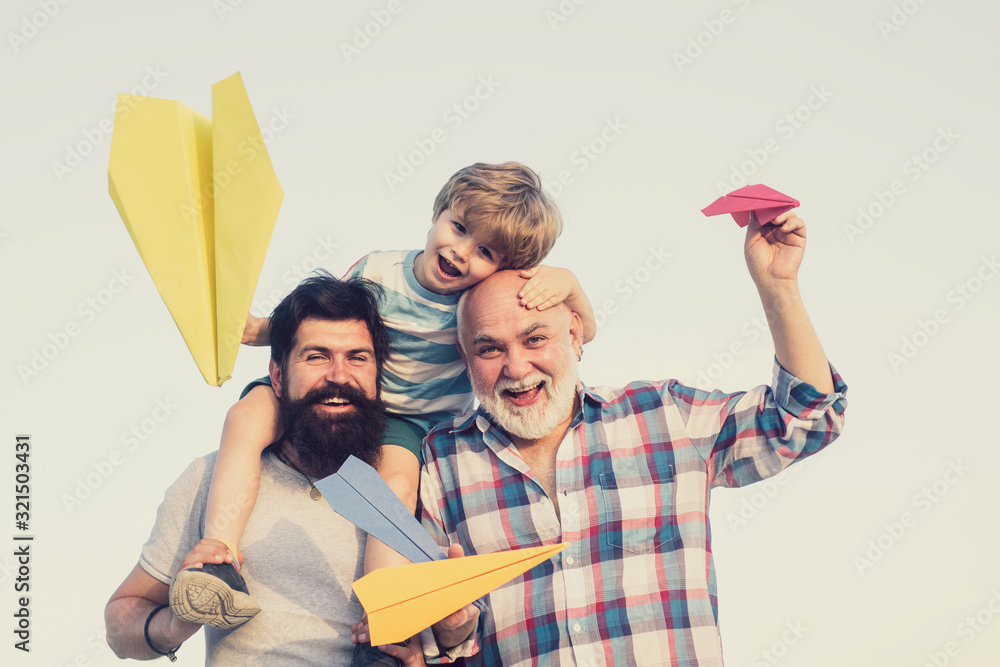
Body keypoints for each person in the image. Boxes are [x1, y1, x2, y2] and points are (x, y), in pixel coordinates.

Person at [169, 162, 597, 665]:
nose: (461, 253)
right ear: (438, 212)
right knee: (246, 416)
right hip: (334, 391)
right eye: (458, 228)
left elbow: (582, 330)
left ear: (502, 268)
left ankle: (383, 618)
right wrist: (263, 328)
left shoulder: (478, 304)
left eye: (485, 252)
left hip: (406, 422)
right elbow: (323, 317)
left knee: (394, 488)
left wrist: (567, 283)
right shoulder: (377, 270)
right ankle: (218, 556)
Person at [415, 212, 849, 665]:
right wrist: (451, 629)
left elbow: (807, 422)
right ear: (465, 355)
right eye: (490, 349)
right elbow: (433, 641)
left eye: (534, 339)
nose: (517, 368)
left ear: (574, 335)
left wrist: (779, 287)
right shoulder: (438, 462)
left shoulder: (664, 414)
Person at [105, 274, 438, 665]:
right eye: (317, 357)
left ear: (378, 377)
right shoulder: (212, 479)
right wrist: (174, 625)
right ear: (277, 376)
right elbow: (120, 621)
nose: (338, 375)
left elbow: (458, 637)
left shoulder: (420, 489)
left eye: (357, 358)